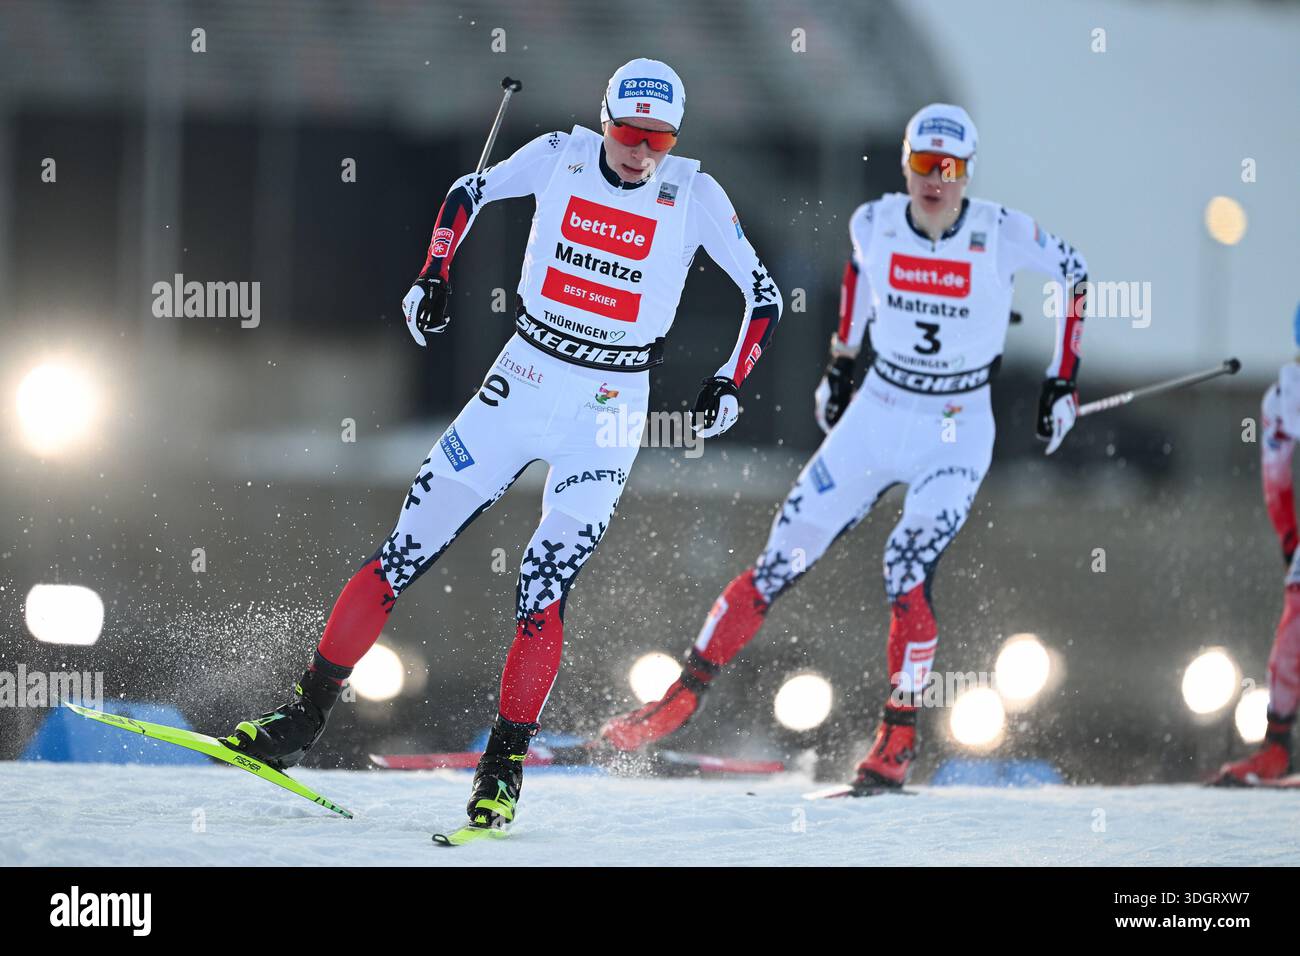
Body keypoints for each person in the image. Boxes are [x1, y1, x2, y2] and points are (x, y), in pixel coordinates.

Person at [223, 58, 783, 830]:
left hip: (611, 408)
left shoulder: (694, 194)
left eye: (658, 138)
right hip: (521, 375)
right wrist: (433, 275)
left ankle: (502, 770)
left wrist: (728, 382)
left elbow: (763, 294)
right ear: (605, 118)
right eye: (627, 132)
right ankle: (301, 719)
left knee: (542, 587)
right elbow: (469, 190)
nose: (640, 151)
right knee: (402, 553)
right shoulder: (560, 154)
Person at [601, 103, 1088, 792]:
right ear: (906, 164)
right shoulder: (877, 220)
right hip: (880, 409)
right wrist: (840, 361)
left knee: (906, 561)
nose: (935, 181)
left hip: (955, 422)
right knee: (780, 557)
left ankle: (897, 735)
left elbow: (1076, 271)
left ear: (967, 173)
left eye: (948, 169)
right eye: (923, 164)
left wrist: (1061, 381)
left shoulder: (1000, 232)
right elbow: (859, 273)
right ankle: (680, 698)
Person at [1215, 325, 1300, 784]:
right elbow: (1276, 476)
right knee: (1294, 629)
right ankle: (1277, 748)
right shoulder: (1284, 397)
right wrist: (1289, 539)